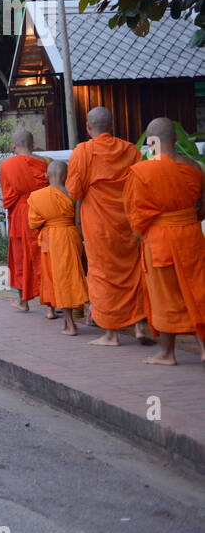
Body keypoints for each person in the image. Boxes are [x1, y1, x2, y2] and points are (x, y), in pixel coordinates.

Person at [124, 117, 205, 366]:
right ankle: (203, 348)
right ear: (177, 139)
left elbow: (135, 216)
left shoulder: (143, 171)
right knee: (197, 290)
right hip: (191, 235)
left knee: (165, 295)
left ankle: (168, 354)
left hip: (160, 239)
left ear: (151, 142)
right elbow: (202, 209)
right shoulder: (195, 168)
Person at [68, 106, 151, 346]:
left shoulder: (83, 152)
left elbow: (74, 191)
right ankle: (138, 327)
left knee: (102, 275)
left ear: (88, 126)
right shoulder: (131, 151)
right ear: (112, 126)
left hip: (99, 226)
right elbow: (140, 187)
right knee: (134, 273)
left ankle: (111, 334)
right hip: (129, 224)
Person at [27, 160, 87, 336]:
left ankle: (70, 324)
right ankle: (74, 318)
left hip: (52, 239)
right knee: (75, 275)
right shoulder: (74, 194)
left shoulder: (38, 196)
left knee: (60, 280)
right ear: (66, 176)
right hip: (72, 235)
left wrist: (50, 225)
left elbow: (33, 223)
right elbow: (78, 220)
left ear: (46, 175)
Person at [0, 129, 50, 313]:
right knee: (43, 256)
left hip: (21, 214)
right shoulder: (44, 163)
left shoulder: (6, 166)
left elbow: (7, 197)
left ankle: (23, 301)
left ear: (13, 146)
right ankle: (50, 307)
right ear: (33, 144)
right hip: (42, 212)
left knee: (20, 257)